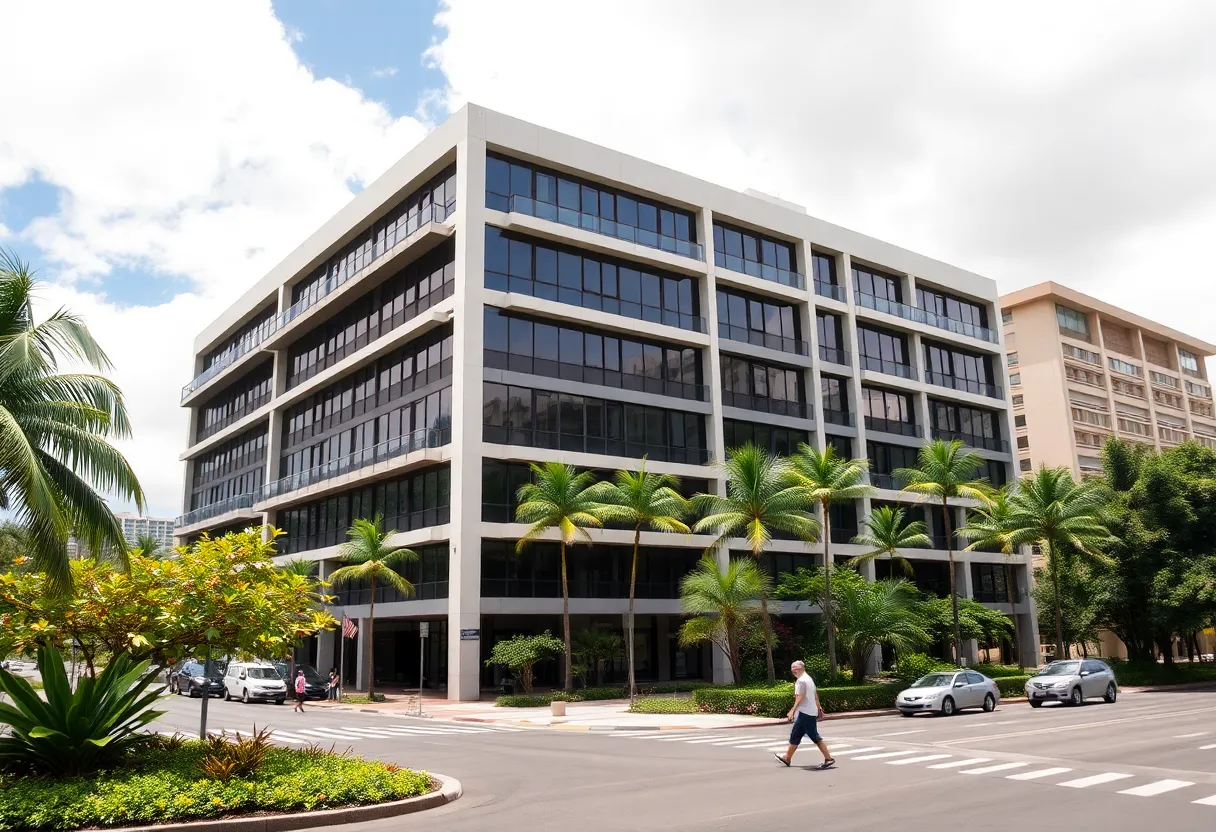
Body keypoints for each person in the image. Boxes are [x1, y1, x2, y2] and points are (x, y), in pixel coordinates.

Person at [774, 660, 834, 769]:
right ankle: (787, 757)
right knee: (796, 735)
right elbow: (815, 694)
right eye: (792, 669)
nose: (793, 671)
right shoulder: (809, 679)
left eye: (795, 668)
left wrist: (792, 710)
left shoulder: (801, 681)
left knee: (814, 737)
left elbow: (799, 697)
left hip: (805, 713)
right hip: (809, 712)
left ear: (801, 668)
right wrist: (818, 707)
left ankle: (829, 758)